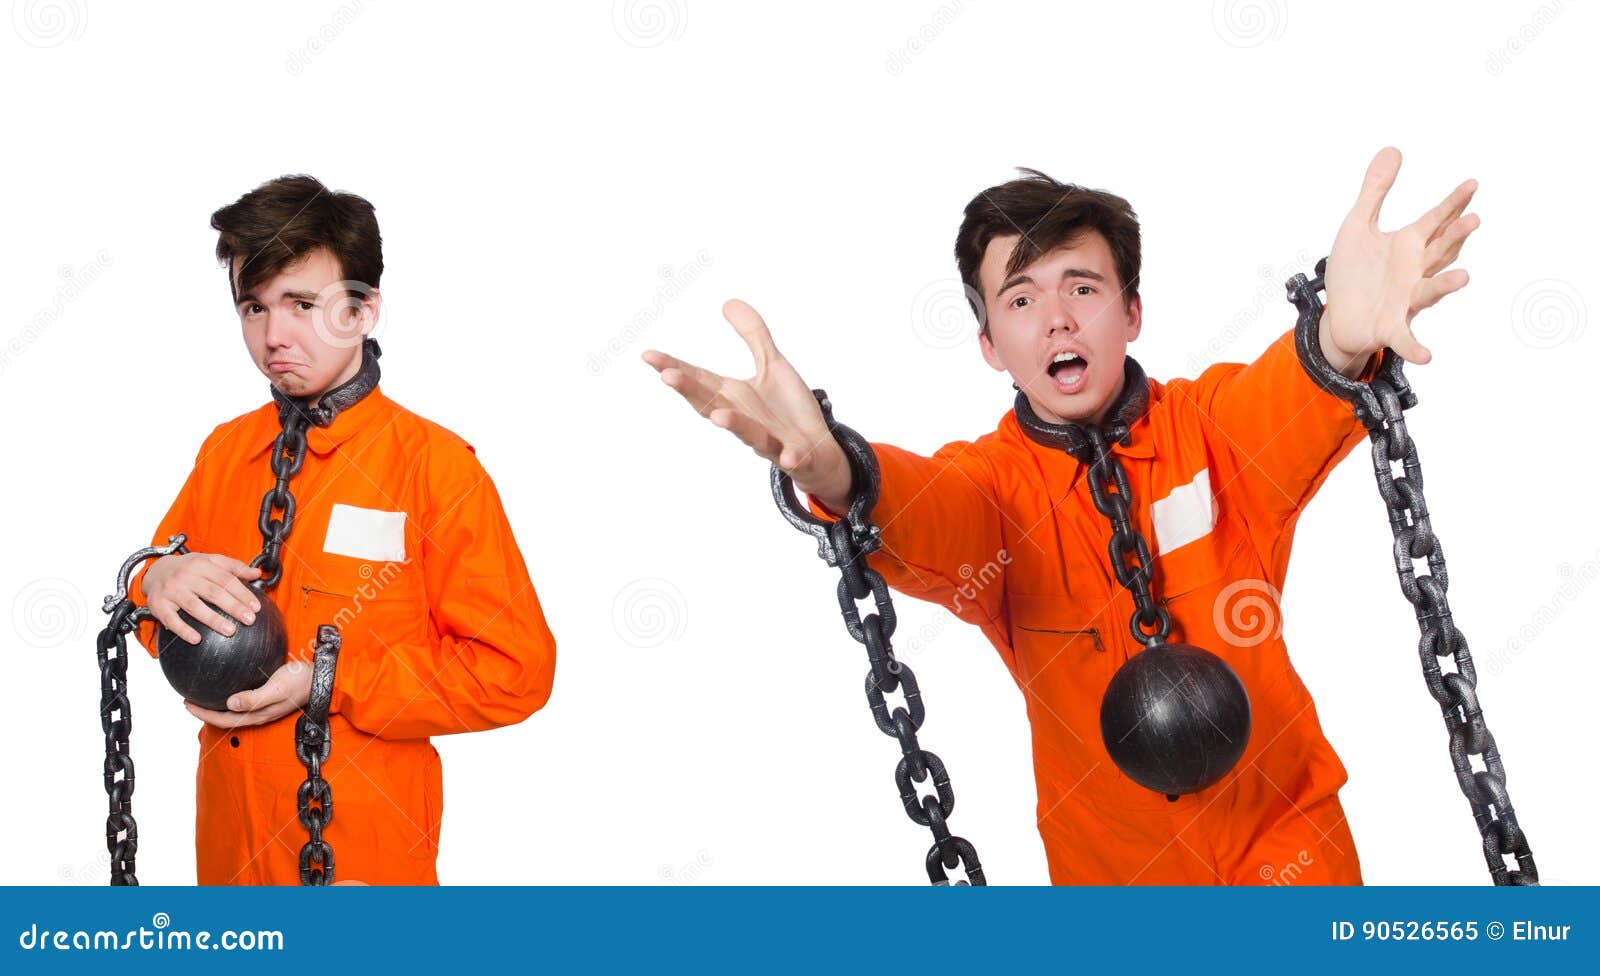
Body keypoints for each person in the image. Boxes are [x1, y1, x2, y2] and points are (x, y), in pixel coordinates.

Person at [644, 147, 1478, 884]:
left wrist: (1336, 341)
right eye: (1020, 301)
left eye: (1083, 287)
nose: (1058, 319)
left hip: (1289, 847)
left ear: (1132, 312)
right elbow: (931, 515)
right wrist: (835, 468)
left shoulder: (1214, 433)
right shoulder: (994, 494)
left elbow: (1286, 403)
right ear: (989, 346)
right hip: (1114, 880)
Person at [129, 175, 558, 885]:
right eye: (253, 307)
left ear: (363, 311)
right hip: (231, 860)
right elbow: (157, 614)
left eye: (302, 304)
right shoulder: (225, 453)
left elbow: (516, 673)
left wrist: (331, 681)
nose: (273, 337)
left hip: (363, 864)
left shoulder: (436, 469)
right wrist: (154, 577)